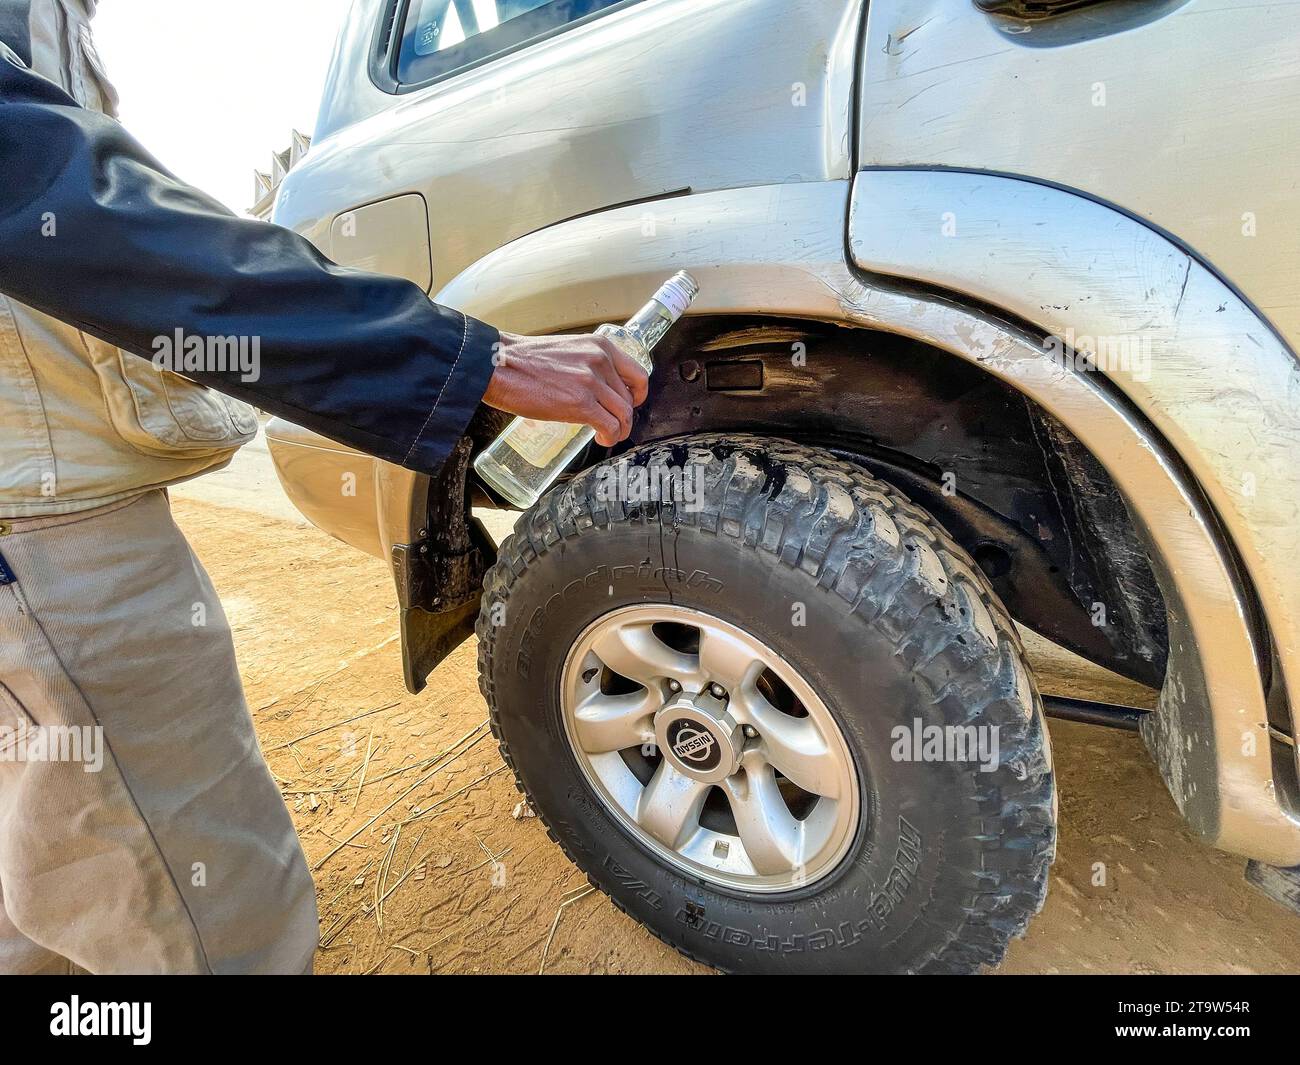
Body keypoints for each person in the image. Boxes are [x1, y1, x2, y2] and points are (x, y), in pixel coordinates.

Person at [0, 0, 647, 974]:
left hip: (35, 505)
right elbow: (70, 200)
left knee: (54, 868)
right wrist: (452, 359)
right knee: (209, 911)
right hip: (43, 529)